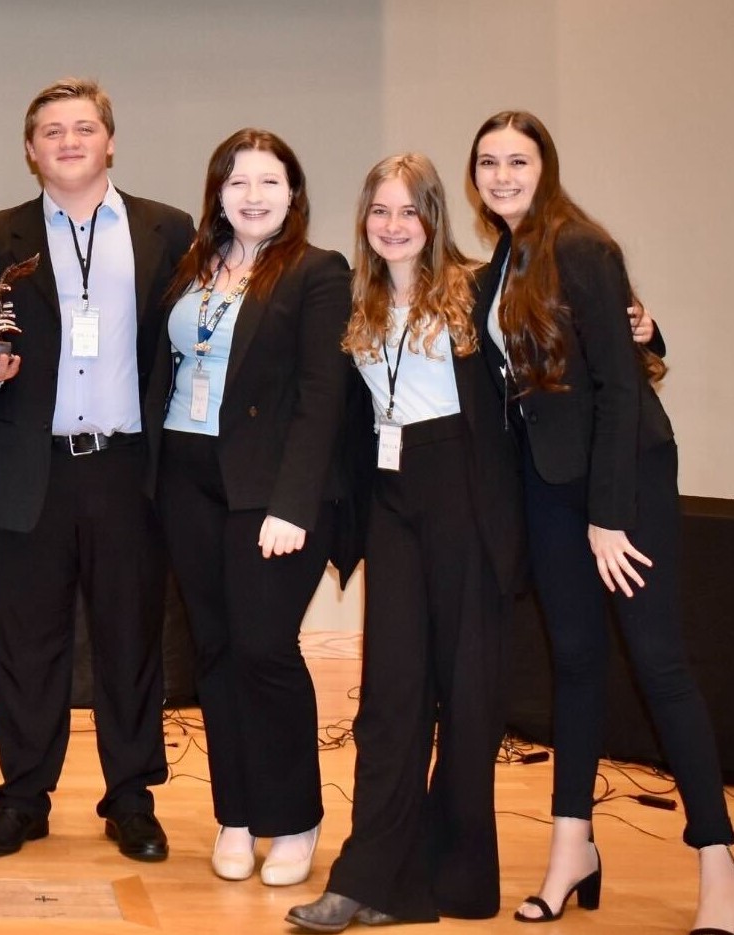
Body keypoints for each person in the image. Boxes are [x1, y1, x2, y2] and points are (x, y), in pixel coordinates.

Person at [468, 110, 733, 933]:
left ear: (545, 166)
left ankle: (718, 868)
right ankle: (570, 850)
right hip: (548, 486)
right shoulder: (497, 267)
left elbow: (622, 386)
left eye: (518, 160)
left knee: (658, 665)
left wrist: (609, 517)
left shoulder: (582, 245)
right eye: (487, 162)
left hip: (624, 483)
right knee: (574, 664)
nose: (502, 174)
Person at [285, 153, 526, 932]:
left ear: (432, 216)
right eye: (378, 212)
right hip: (391, 504)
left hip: (464, 498)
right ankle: (367, 874)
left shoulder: (475, 289)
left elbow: (553, 347)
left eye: (407, 212)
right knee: (388, 696)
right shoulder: (353, 303)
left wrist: (640, 326)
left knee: (466, 698)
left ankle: (454, 879)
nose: (391, 226)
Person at [0, 78, 192, 863]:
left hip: (129, 466)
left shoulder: (168, 229)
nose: (68, 140)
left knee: (130, 639)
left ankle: (131, 796)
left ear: (110, 141)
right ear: (30, 150)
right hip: (35, 467)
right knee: (27, 644)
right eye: (50, 130)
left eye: (83, 127)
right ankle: (23, 797)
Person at [143, 128, 352, 887]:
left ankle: (293, 818)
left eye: (269, 181)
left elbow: (323, 397)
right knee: (216, 653)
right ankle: (236, 813)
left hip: (271, 494)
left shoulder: (317, 272)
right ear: (217, 194)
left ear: (292, 193)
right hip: (186, 480)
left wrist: (293, 503)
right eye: (237, 183)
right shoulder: (192, 267)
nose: (253, 196)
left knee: (264, 649)